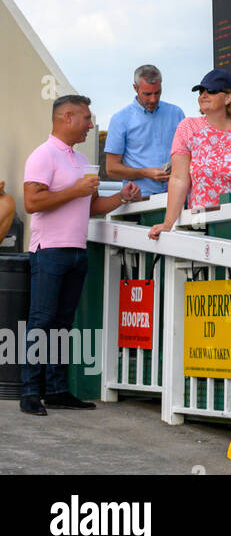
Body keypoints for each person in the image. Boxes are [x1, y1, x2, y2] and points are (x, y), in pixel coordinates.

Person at [21, 95, 142, 415]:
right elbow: (32, 203)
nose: (91, 124)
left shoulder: (75, 159)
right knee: (42, 322)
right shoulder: (43, 155)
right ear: (67, 117)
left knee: (62, 323)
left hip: (76, 249)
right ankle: (30, 391)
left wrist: (120, 197)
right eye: (86, 118)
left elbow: (89, 207)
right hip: (49, 251)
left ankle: (57, 389)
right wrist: (76, 189)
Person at [149, 69, 231, 239]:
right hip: (201, 222)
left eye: (212, 91)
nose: (204, 95)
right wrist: (168, 223)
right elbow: (179, 178)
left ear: (228, 98)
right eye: (201, 91)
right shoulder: (188, 127)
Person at [103, 64, 185, 199]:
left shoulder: (176, 113)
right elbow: (111, 169)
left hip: (176, 196)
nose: (153, 99)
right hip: (139, 200)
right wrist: (146, 173)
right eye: (147, 94)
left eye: (157, 92)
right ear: (135, 88)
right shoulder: (120, 119)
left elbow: (189, 154)